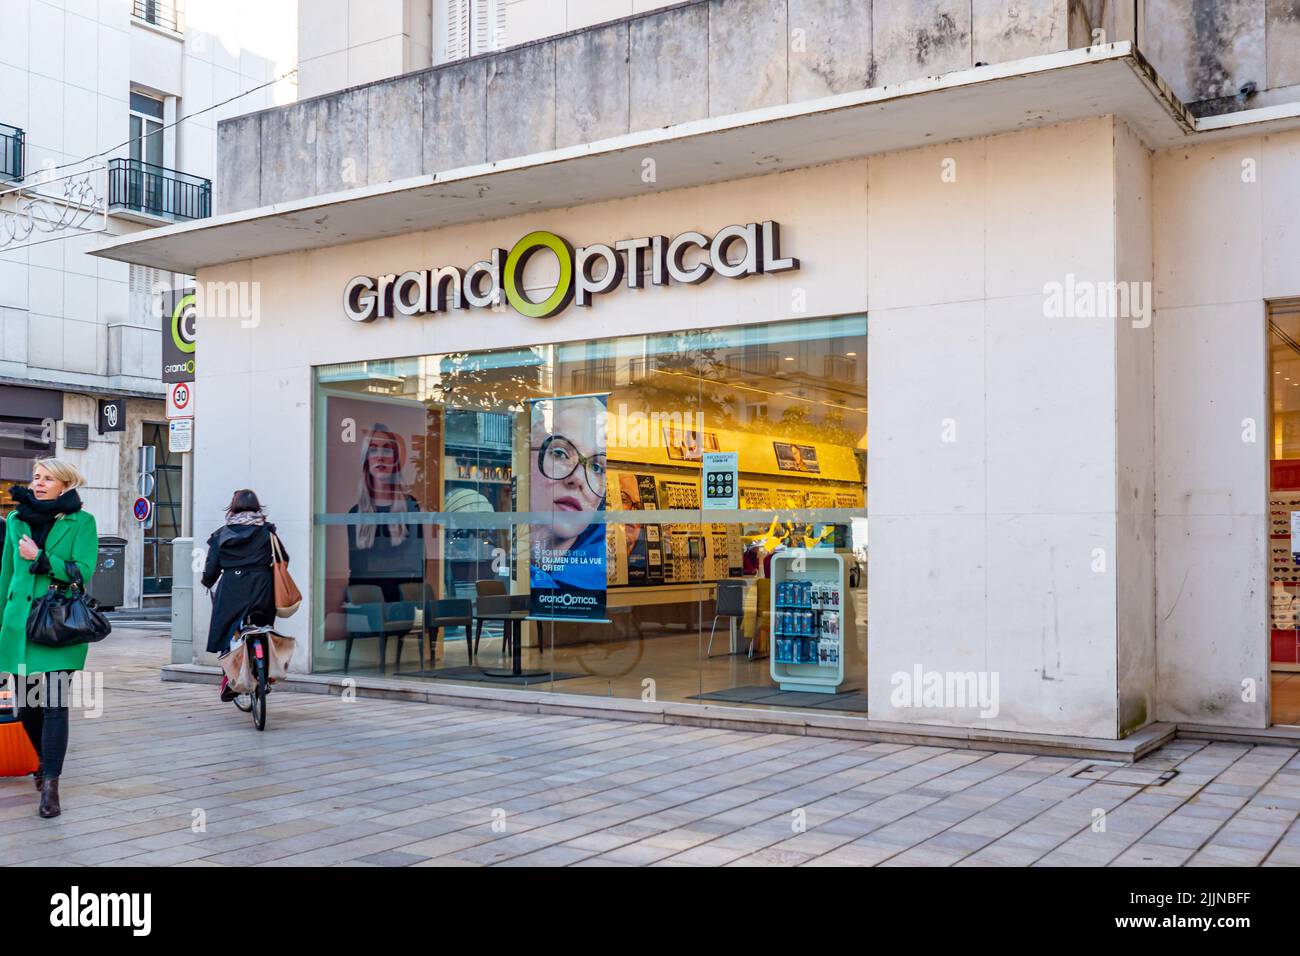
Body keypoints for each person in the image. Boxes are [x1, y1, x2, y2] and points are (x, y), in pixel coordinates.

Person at [0, 458, 99, 819]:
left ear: (65, 484)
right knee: (26, 705)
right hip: (20, 626)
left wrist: (40, 558)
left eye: (47, 478)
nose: (38, 483)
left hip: (59, 625)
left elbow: (82, 572)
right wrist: (0, 625)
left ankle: (51, 787)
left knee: (55, 704)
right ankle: (42, 761)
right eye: (36, 477)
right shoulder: (16, 519)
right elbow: (6, 575)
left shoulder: (82, 522)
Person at [202, 490, 286, 702]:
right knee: (264, 626)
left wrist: (207, 582)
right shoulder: (267, 531)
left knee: (227, 629)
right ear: (258, 507)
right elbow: (283, 557)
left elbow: (212, 567)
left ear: (232, 507)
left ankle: (229, 678)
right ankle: (268, 671)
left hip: (232, 587)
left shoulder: (221, 534)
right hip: (262, 586)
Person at [529, 397, 607, 593]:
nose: (578, 478)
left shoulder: (602, 577)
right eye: (560, 453)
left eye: (596, 467)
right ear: (526, 460)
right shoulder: (505, 559)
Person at [346, 425, 424, 602]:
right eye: (373, 449)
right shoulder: (355, 513)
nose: (380, 456)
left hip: (403, 595)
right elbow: (356, 566)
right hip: (366, 597)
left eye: (387, 450)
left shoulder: (410, 506)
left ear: (395, 459)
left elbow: (418, 557)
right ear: (366, 459)